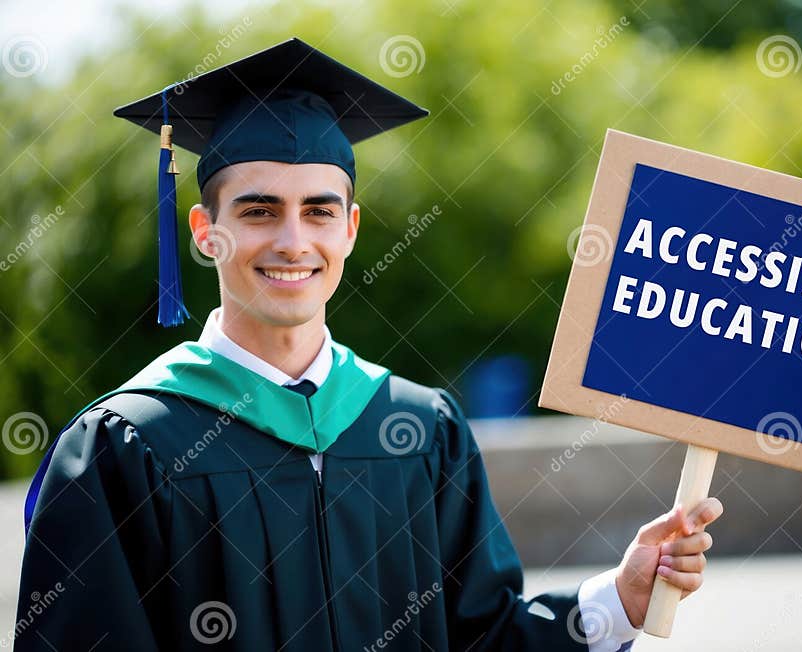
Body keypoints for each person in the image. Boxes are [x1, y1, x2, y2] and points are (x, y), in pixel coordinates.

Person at [16, 38, 723, 651]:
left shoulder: (420, 429)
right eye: (260, 211)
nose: (293, 241)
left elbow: (482, 638)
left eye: (318, 212)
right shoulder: (129, 446)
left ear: (350, 230)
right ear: (206, 233)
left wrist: (618, 601)